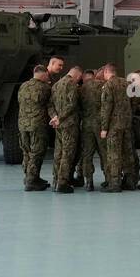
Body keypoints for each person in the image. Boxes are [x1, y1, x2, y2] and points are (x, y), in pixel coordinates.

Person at [17, 65, 53, 191]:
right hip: (37, 125)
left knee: (26, 152)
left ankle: (30, 177)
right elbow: (50, 104)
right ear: (43, 74)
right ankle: (32, 181)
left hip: (22, 124)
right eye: (47, 75)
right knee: (37, 152)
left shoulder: (23, 86)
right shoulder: (44, 88)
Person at [97, 64, 132, 193]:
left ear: (106, 71)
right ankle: (130, 181)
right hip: (127, 124)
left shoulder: (108, 85)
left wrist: (104, 128)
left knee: (114, 154)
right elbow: (133, 102)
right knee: (128, 152)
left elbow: (106, 108)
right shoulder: (126, 83)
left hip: (114, 126)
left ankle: (115, 183)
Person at [49, 65, 83, 193]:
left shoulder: (56, 85)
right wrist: (61, 118)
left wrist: (54, 117)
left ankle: (56, 179)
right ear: (78, 76)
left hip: (58, 125)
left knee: (58, 152)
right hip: (69, 124)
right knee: (68, 153)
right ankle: (63, 183)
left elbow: (50, 104)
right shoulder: (72, 85)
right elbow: (72, 104)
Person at [77, 69, 104, 192]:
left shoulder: (80, 89)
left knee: (87, 154)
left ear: (83, 78)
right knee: (105, 153)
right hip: (100, 125)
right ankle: (109, 179)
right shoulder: (102, 86)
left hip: (86, 125)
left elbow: (77, 107)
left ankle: (89, 182)